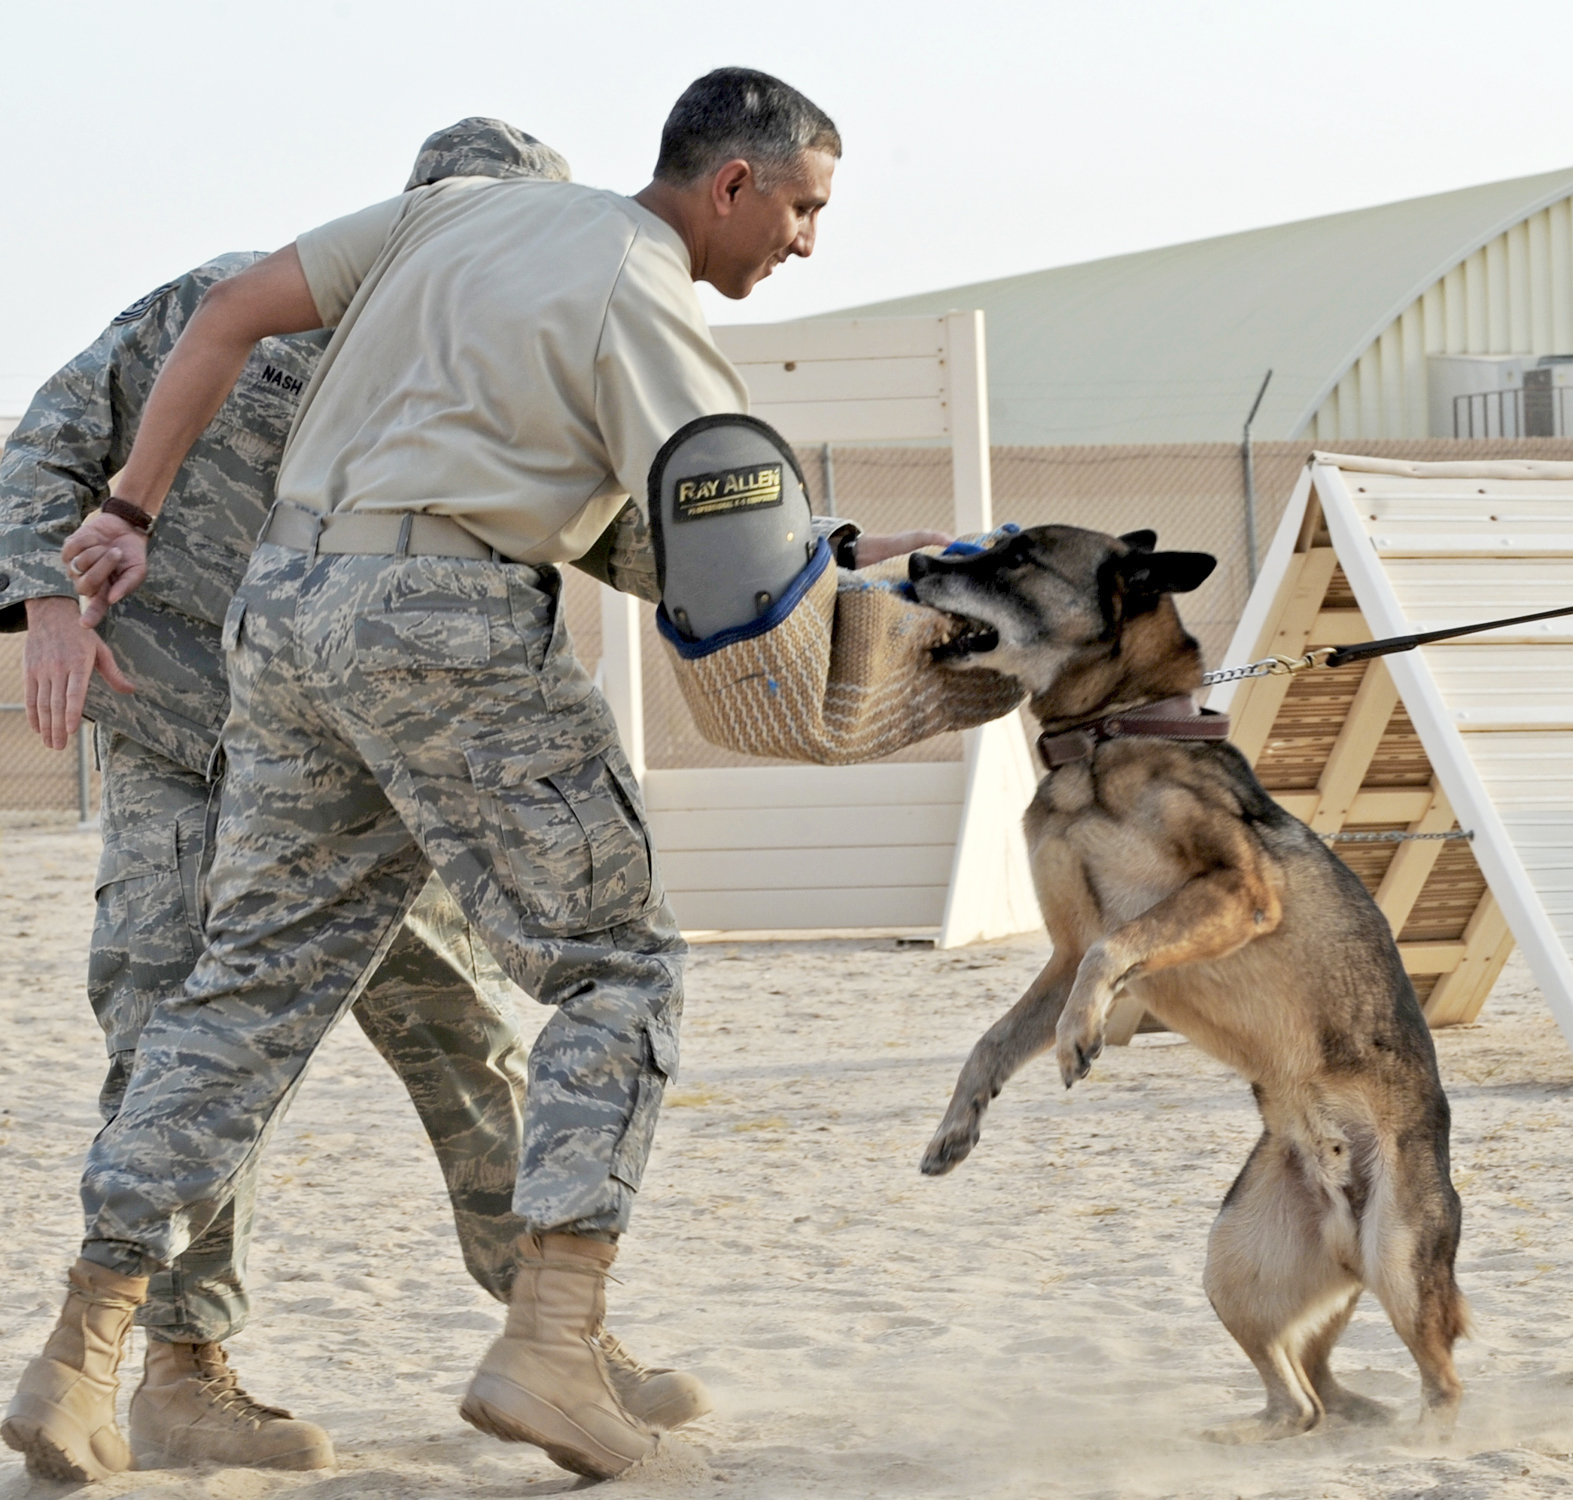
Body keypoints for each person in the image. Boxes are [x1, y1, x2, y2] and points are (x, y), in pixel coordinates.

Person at [2, 68, 939, 1483]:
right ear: (731, 183)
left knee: (281, 1009)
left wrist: (129, 513)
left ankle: (89, 1344)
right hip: (311, 681)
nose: (806, 239)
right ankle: (523, 1345)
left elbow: (620, 520)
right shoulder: (611, 276)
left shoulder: (418, 265)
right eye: (801, 210)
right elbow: (707, 520)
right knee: (616, 961)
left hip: (290, 655)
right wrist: (61, 586)